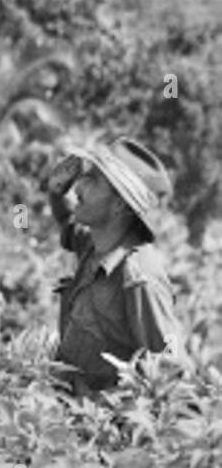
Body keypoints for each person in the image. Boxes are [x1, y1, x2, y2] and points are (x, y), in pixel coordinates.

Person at [45, 137, 182, 395]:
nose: (78, 187)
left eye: (93, 180)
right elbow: (66, 221)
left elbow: (169, 369)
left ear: (119, 204)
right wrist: (55, 190)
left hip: (102, 426)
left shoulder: (139, 276)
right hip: (69, 412)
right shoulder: (95, 245)